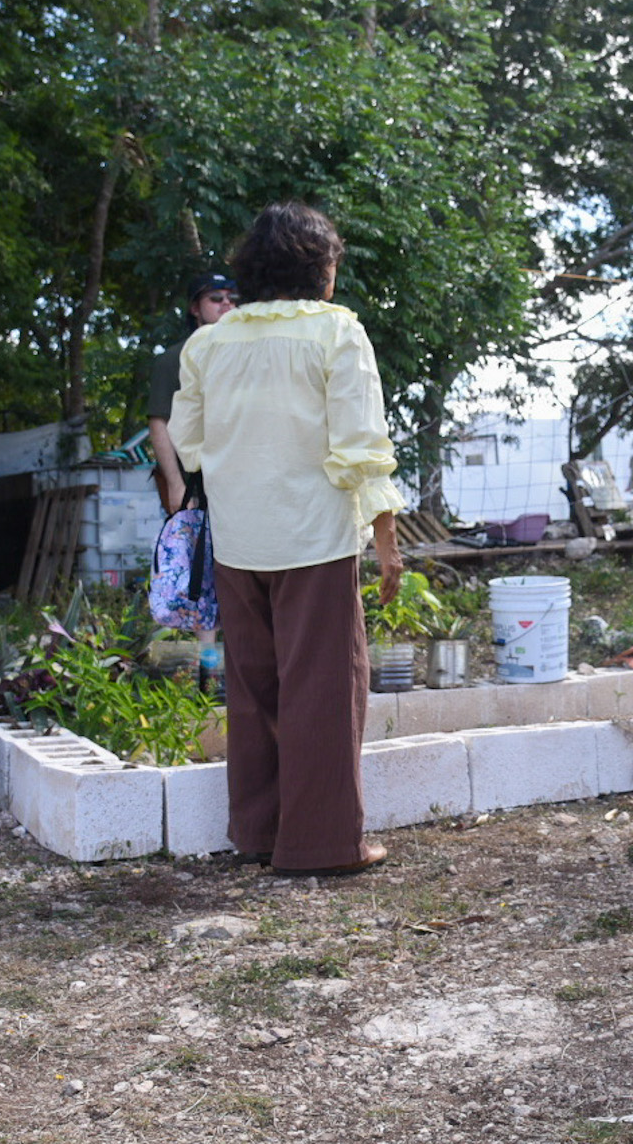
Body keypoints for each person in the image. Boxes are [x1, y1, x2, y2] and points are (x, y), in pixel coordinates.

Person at [169, 203, 403, 877]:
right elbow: (362, 448)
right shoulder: (337, 332)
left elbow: (190, 442)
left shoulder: (207, 343)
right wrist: (387, 540)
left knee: (253, 689)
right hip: (315, 537)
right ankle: (325, 843)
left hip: (238, 540)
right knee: (324, 688)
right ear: (319, 271)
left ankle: (259, 831)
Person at [147, 272, 237, 686]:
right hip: (195, 488)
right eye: (215, 298)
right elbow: (159, 424)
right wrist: (177, 484)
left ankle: (240, 669)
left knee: (241, 573)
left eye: (232, 298)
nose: (225, 304)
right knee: (200, 578)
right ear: (195, 307)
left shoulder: (246, 352)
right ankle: (209, 672)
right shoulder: (174, 358)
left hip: (243, 483)